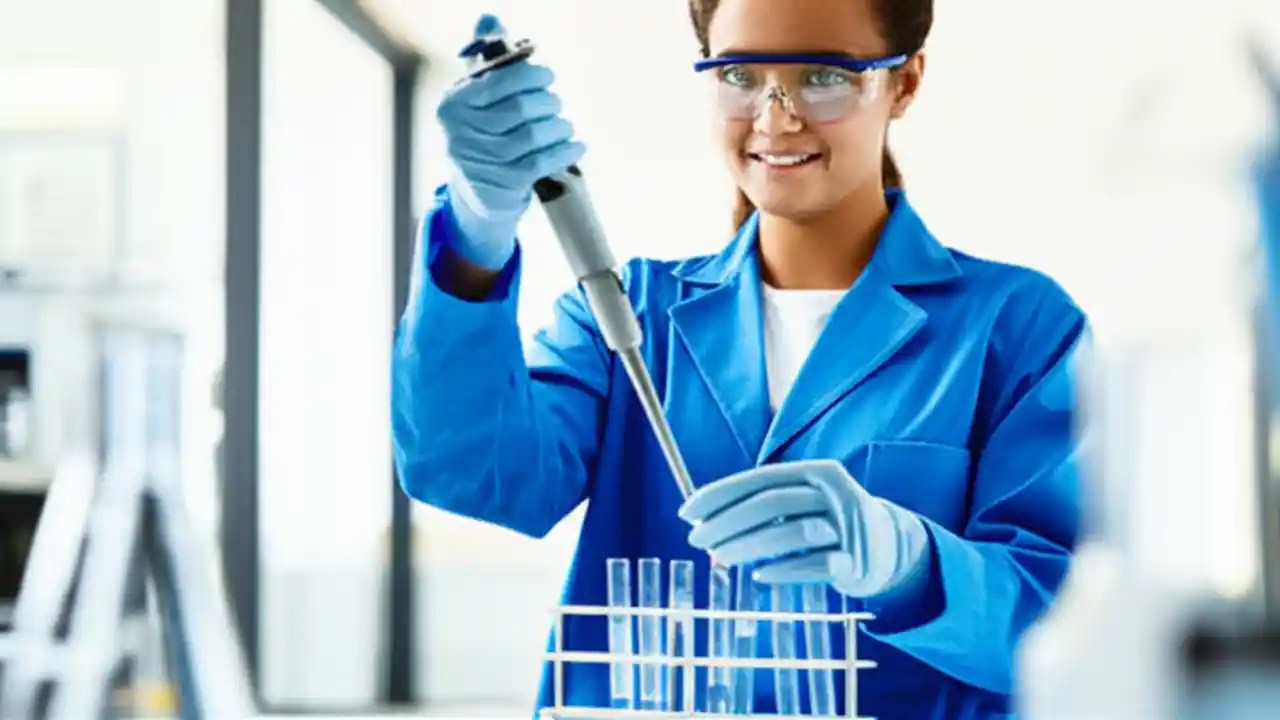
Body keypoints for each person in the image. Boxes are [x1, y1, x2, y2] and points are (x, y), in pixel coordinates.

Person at [391, 0, 1089, 717]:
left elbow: (1062, 625)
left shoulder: (1017, 326)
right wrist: (477, 228)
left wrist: (907, 561)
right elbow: (468, 472)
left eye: (824, 75)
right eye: (741, 75)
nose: (775, 117)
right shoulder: (631, 313)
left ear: (904, 82)